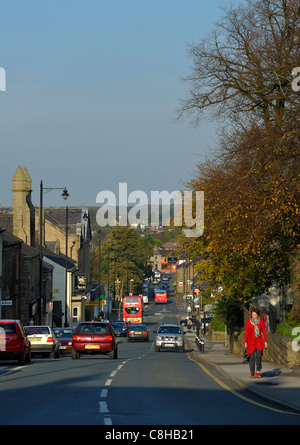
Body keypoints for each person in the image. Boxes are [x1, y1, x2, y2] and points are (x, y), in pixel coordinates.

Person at [244, 307, 268, 378]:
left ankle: (258, 371)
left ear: (257, 315)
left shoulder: (260, 322)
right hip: (250, 342)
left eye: (254, 314)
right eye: (252, 314)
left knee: (258, 356)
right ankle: (252, 373)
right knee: (251, 358)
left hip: (259, 342)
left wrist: (265, 341)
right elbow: (246, 333)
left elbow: (264, 332)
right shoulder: (248, 322)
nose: (253, 316)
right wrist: (245, 342)